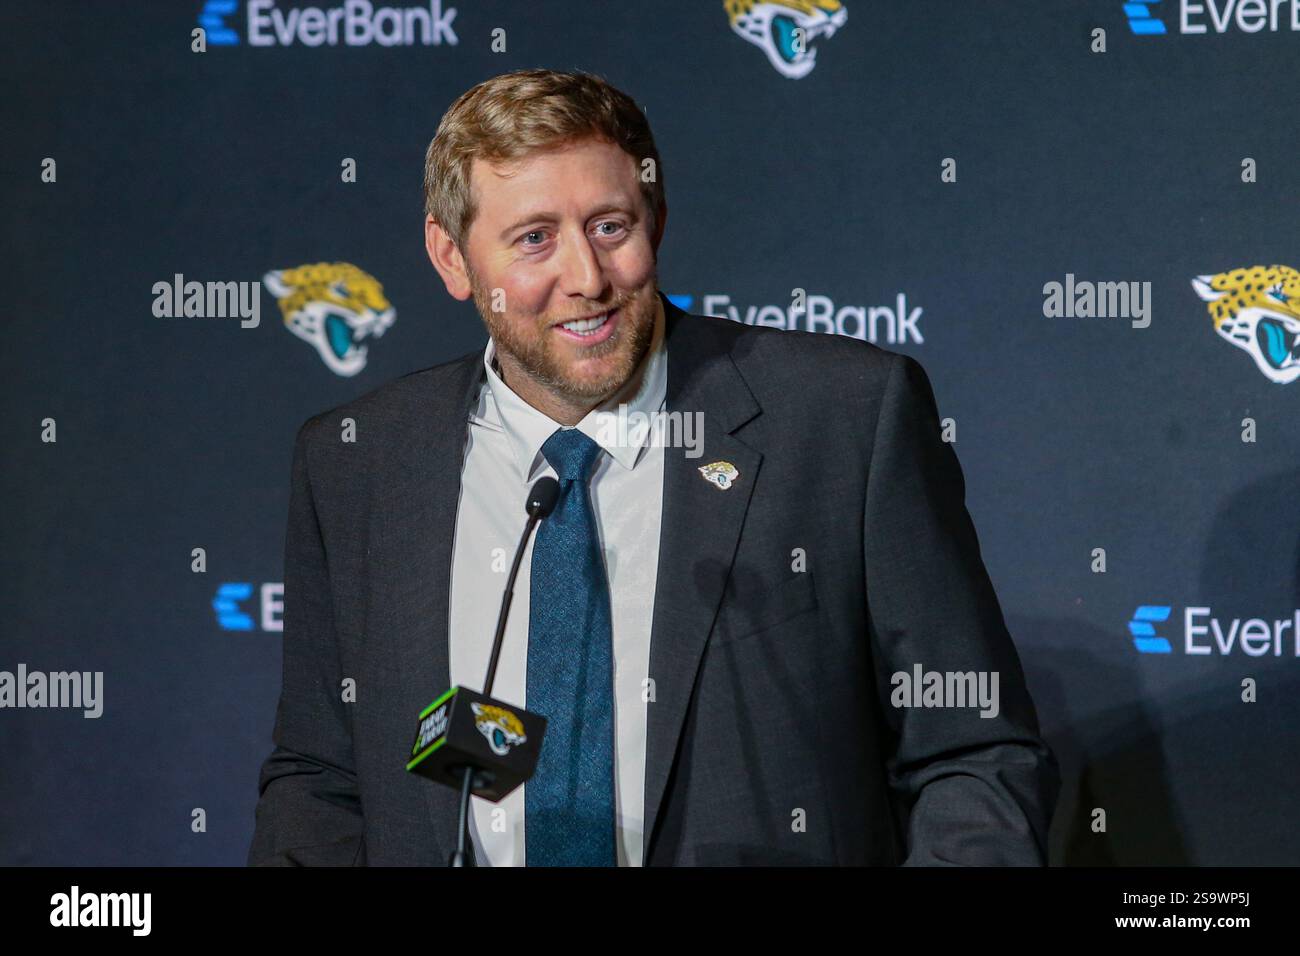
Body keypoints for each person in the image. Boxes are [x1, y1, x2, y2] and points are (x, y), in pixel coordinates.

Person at [248, 68, 1059, 866]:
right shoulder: (360, 460)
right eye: (535, 239)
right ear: (453, 259)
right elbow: (324, 779)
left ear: (657, 222)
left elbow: (973, 751)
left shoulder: (842, 419)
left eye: (610, 227)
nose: (587, 279)